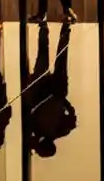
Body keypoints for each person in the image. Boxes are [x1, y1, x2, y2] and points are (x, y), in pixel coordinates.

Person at [25, 21, 78, 158]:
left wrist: (62, 100)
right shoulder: (36, 129)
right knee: (44, 54)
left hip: (55, 89)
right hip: (41, 89)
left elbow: (72, 117)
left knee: (60, 56)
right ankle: (44, 27)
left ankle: (65, 28)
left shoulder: (61, 130)